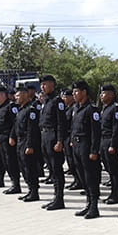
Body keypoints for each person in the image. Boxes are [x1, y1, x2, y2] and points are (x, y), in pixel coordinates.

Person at [70, 80, 102, 219]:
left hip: (86, 146)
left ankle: (94, 206)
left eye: (76, 92)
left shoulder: (92, 108)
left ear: (84, 92)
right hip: (76, 145)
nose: (74, 94)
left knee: (90, 177)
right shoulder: (76, 108)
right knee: (82, 176)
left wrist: (94, 150)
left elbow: (96, 132)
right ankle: (88, 203)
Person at [39, 75, 68, 210]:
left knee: (57, 169)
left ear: (52, 85)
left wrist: (60, 140)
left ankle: (59, 199)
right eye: (41, 84)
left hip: (53, 136)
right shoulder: (46, 100)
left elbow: (61, 123)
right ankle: (55, 197)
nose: (42, 87)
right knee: (51, 169)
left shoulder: (58, 101)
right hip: (44, 135)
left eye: (45, 84)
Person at [9, 86, 41, 202]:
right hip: (20, 141)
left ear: (24, 95)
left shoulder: (31, 110)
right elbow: (16, 125)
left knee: (30, 167)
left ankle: (34, 191)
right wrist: (12, 136)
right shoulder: (21, 109)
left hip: (27, 142)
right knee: (23, 167)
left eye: (18, 95)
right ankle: (29, 190)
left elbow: (32, 129)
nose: (15, 98)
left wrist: (30, 145)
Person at [98, 84, 118, 204]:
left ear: (111, 94)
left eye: (104, 93)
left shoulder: (115, 108)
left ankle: (116, 195)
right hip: (103, 140)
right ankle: (112, 193)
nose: (101, 96)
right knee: (108, 168)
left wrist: (113, 145)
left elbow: (117, 128)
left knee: (114, 170)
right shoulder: (105, 108)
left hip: (110, 141)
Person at [0, 87, 22, 195]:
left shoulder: (11, 106)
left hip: (8, 139)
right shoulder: (0, 107)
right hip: (1, 138)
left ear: (3, 95)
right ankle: (12, 183)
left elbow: (15, 123)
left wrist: (12, 136)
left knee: (11, 161)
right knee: (5, 161)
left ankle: (16, 184)